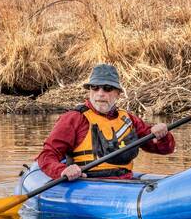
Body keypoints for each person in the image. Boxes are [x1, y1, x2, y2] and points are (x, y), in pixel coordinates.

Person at [36, 64, 175, 182]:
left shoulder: (128, 119)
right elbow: (47, 155)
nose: (100, 93)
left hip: (125, 182)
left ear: (118, 93)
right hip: (87, 182)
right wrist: (63, 170)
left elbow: (165, 149)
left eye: (107, 88)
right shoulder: (74, 118)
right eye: (95, 88)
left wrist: (163, 135)